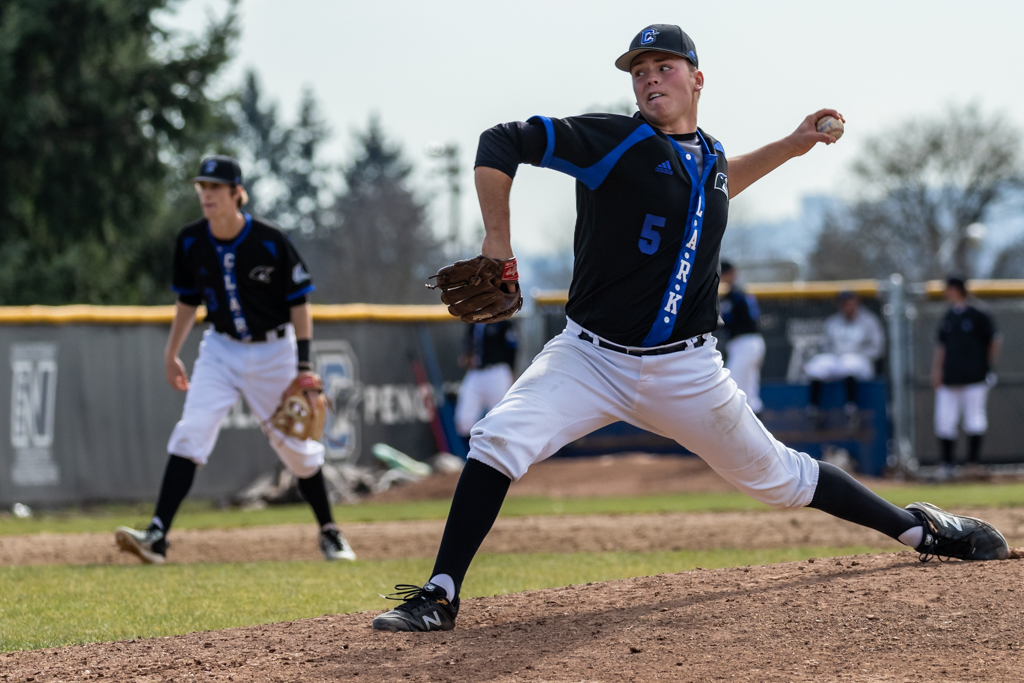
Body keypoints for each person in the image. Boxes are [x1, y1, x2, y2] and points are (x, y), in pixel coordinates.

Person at [371, 24, 1008, 633]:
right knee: (498, 438)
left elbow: (724, 181)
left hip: (688, 370)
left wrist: (792, 145)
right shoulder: (614, 143)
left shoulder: (709, 159)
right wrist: (498, 243)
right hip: (589, 359)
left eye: (663, 68)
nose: (650, 80)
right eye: (640, 72)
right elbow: (501, 139)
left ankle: (921, 530)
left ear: (696, 79)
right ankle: (440, 594)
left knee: (782, 478)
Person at [114, 155, 355, 564]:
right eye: (202, 188)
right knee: (192, 431)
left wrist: (302, 364)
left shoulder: (269, 240)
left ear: (236, 193)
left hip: (273, 351)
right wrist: (171, 353)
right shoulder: (191, 240)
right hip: (220, 350)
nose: (206, 195)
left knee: (298, 449)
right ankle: (157, 536)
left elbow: (299, 303)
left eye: (214, 188)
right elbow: (188, 300)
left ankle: (330, 533)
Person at [932, 276, 999, 477]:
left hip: (975, 377)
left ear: (958, 289)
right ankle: (947, 465)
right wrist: (937, 370)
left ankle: (972, 464)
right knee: (944, 420)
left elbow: (995, 341)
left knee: (975, 418)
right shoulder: (948, 316)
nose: (947, 292)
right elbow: (941, 347)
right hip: (950, 377)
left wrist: (987, 366)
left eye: (949, 289)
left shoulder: (979, 313)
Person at [804, 291, 884, 424]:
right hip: (838, 361)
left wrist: (861, 355)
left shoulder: (869, 321)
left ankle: (851, 406)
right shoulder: (833, 322)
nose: (847, 306)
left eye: (850, 303)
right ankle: (813, 408)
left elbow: (878, 348)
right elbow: (825, 346)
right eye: (844, 303)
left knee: (849, 363)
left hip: (861, 362)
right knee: (816, 365)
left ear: (857, 303)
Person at [454, 321, 518, 441]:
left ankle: (503, 457)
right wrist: (467, 356)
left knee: (500, 420)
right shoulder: (473, 320)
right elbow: (469, 343)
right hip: (475, 373)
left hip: (497, 372)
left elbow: (512, 347)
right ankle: (473, 456)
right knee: (464, 420)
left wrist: (512, 372)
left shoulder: (503, 321)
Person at [719, 261, 764, 414]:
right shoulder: (737, 294)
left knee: (731, 385)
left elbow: (748, 320)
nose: (725, 277)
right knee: (749, 391)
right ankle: (757, 417)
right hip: (748, 343)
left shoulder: (736, 295)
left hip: (745, 342)